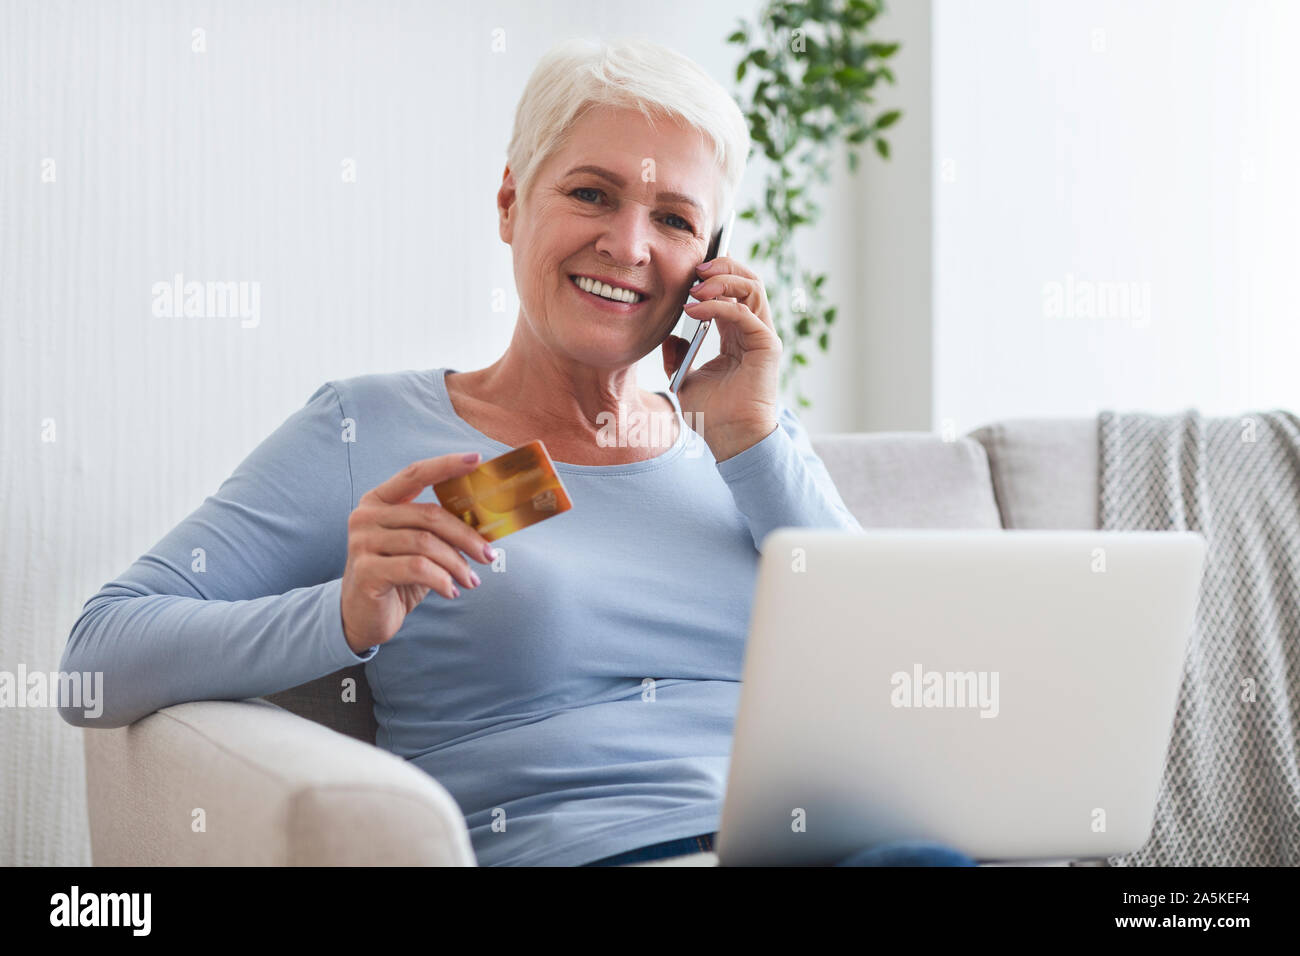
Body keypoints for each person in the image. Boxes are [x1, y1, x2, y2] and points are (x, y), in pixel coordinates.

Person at [59, 36, 974, 868]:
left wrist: (751, 438)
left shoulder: (745, 443)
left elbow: (895, 677)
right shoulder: (371, 431)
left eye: (675, 220)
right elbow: (97, 659)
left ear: (711, 260)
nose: (628, 246)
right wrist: (340, 616)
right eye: (591, 194)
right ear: (510, 202)